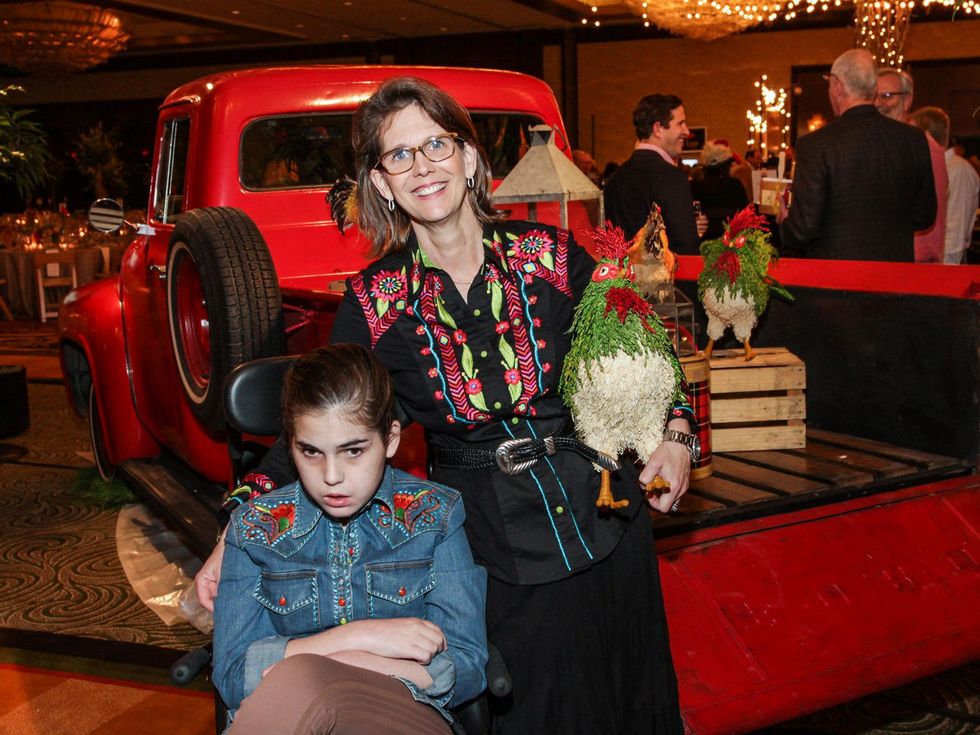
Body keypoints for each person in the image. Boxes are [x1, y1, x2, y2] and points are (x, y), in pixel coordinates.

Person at [199, 76, 696, 735]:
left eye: (436, 144)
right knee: (536, 711)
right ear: (380, 182)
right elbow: (327, 419)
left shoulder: (547, 254)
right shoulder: (375, 301)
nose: (421, 166)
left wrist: (677, 432)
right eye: (397, 155)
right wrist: (238, 525)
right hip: (497, 539)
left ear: (468, 157)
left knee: (634, 696)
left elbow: (643, 344)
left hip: (607, 495)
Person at [213, 344, 488, 734]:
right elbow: (233, 677)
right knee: (300, 687)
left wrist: (295, 662)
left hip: (404, 713)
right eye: (310, 452)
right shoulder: (253, 527)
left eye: (353, 451)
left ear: (390, 439)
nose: (331, 476)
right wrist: (362, 639)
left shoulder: (434, 515)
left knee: (297, 682)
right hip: (295, 714)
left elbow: (467, 666)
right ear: (290, 445)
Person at [779, 49, 935, 261]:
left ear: (837, 86)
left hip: (837, 282)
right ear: (873, 88)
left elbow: (802, 231)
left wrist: (785, 222)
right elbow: (924, 217)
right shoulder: (913, 139)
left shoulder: (816, 145)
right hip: (895, 280)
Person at [604, 93, 708, 251]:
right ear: (658, 129)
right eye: (680, 124)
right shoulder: (672, 177)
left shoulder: (615, 179)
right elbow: (686, 247)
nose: (687, 131)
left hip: (622, 273)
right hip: (663, 274)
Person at [875, 68, 948, 263]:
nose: (878, 104)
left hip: (915, 265)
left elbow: (928, 220)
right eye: (874, 96)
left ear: (907, 101)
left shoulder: (923, 147)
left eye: (887, 96)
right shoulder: (895, 143)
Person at [910, 108, 979, 264]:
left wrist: (942, 277)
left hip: (945, 267)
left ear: (926, 135)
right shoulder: (937, 167)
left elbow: (955, 235)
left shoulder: (958, 170)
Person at [691, 140, 749, 240]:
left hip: (704, 240)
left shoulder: (695, 185)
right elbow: (745, 213)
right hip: (731, 238)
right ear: (725, 166)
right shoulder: (734, 184)